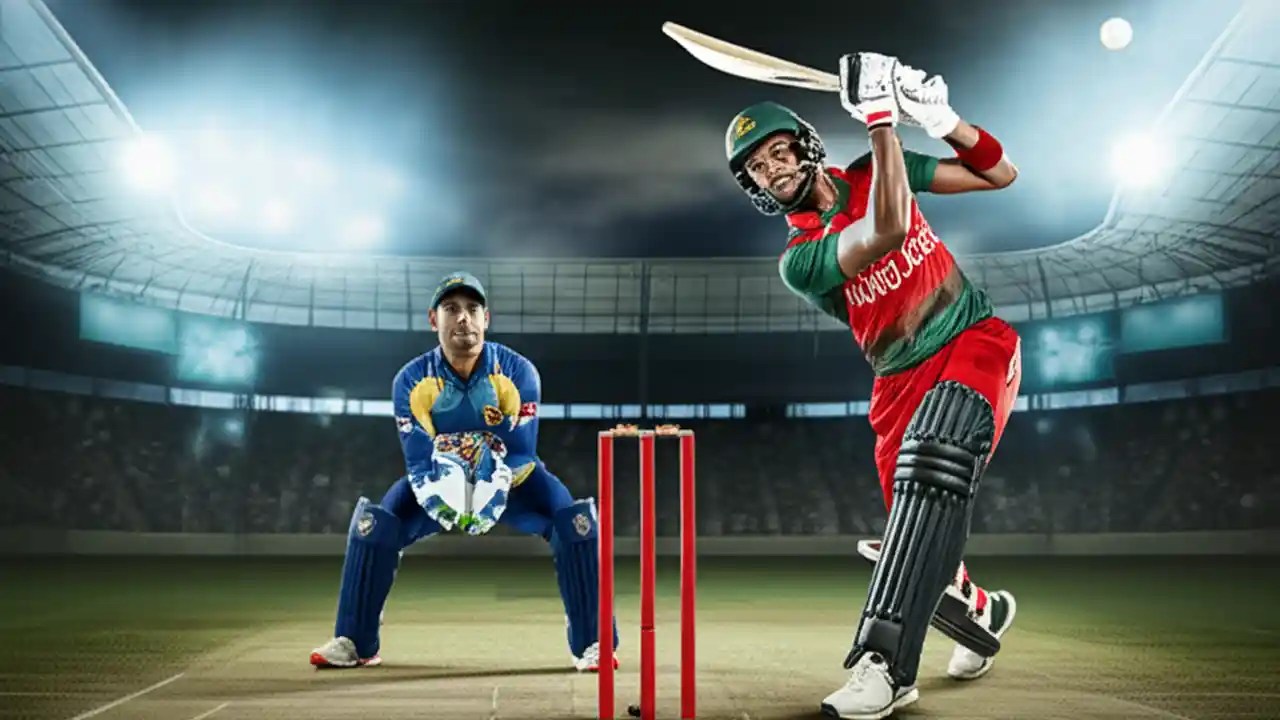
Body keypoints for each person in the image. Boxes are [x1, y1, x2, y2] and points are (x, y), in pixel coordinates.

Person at [724, 54, 1022, 718]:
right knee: (924, 526)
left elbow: (999, 174)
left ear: (806, 143)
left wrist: (940, 120)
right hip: (897, 388)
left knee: (933, 468)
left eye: (777, 152)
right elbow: (887, 228)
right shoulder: (799, 260)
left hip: (972, 340)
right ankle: (979, 611)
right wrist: (881, 118)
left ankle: (884, 667)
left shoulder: (874, 171)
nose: (772, 170)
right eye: (757, 169)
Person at [308, 271, 618, 672]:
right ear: (433, 319)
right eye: (451, 309)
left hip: (512, 478)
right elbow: (418, 459)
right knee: (375, 523)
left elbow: (521, 451)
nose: (463, 319)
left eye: (472, 309)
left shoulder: (518, 372)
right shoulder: (412, 379)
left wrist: (485, 491)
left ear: (486, 318)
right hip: (442, 479)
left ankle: (594, 642)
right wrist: (452, 491)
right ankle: (355, 640)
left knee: (576, 523)